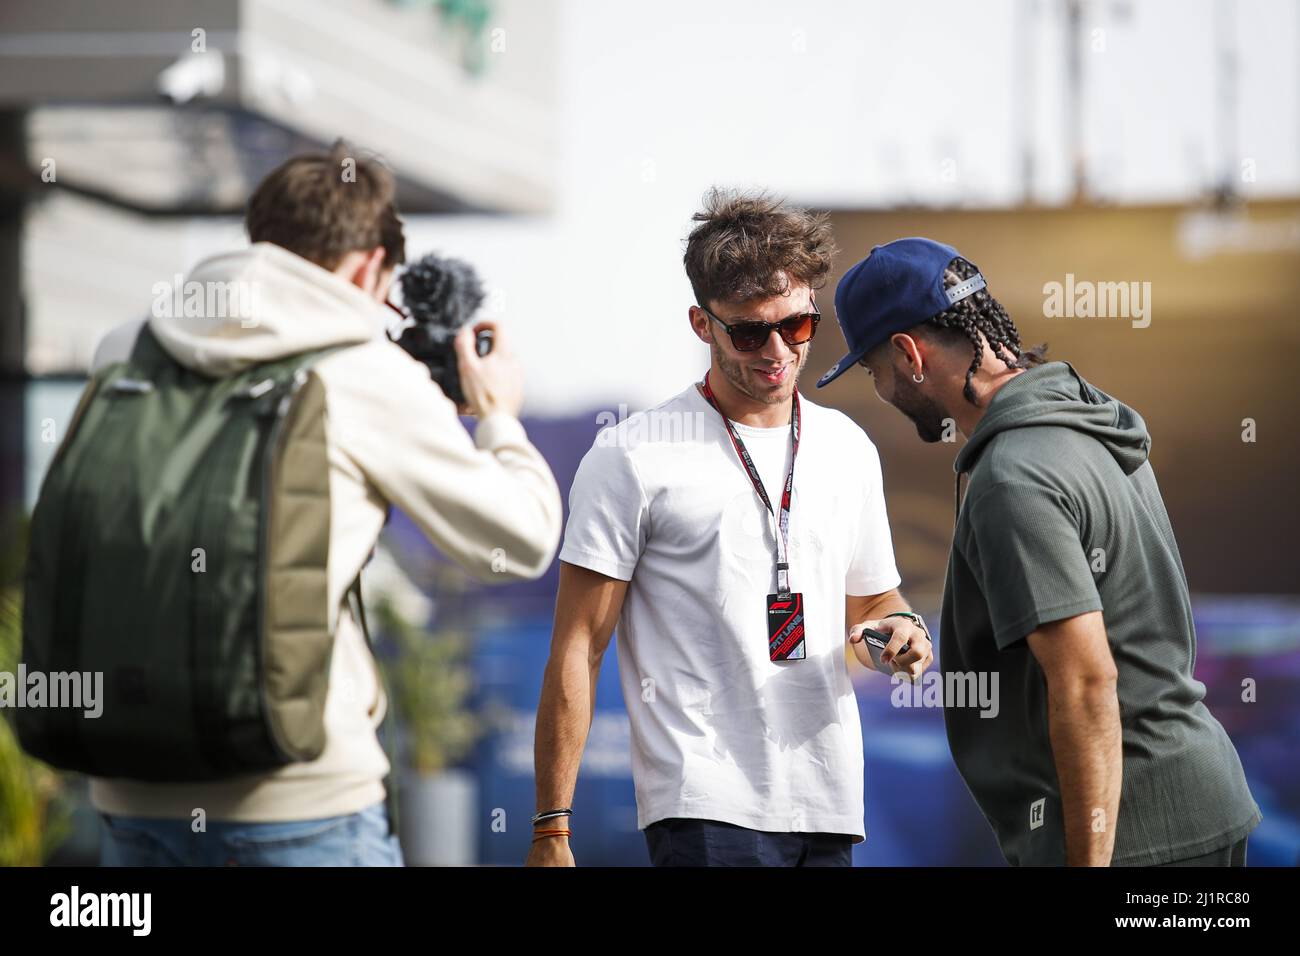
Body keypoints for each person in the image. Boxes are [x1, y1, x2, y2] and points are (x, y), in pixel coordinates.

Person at [87, 142, 563, 866]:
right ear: (370, 266)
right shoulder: (361, 373)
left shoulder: (126, 349)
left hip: (130, 797)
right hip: (296, 806)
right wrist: (497, 415)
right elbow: (522, 541)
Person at [819, 237, 1262, 866]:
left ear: (908, 353)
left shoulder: (1012, 477)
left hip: (1133, 840)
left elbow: (1085, 683)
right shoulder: (1085, 418)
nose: (882, 389)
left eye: (874, 370)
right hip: (1195, 809)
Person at [527, 189, 932, 868]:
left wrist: (900, 633)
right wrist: (550, 829)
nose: (776, 349)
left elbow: (871, 608)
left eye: (796, 327)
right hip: (702, 806)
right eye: (749, 331)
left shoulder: (847, 447)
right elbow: (578, 647)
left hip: (828, 802)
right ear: (701, 323)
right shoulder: (633, 455)